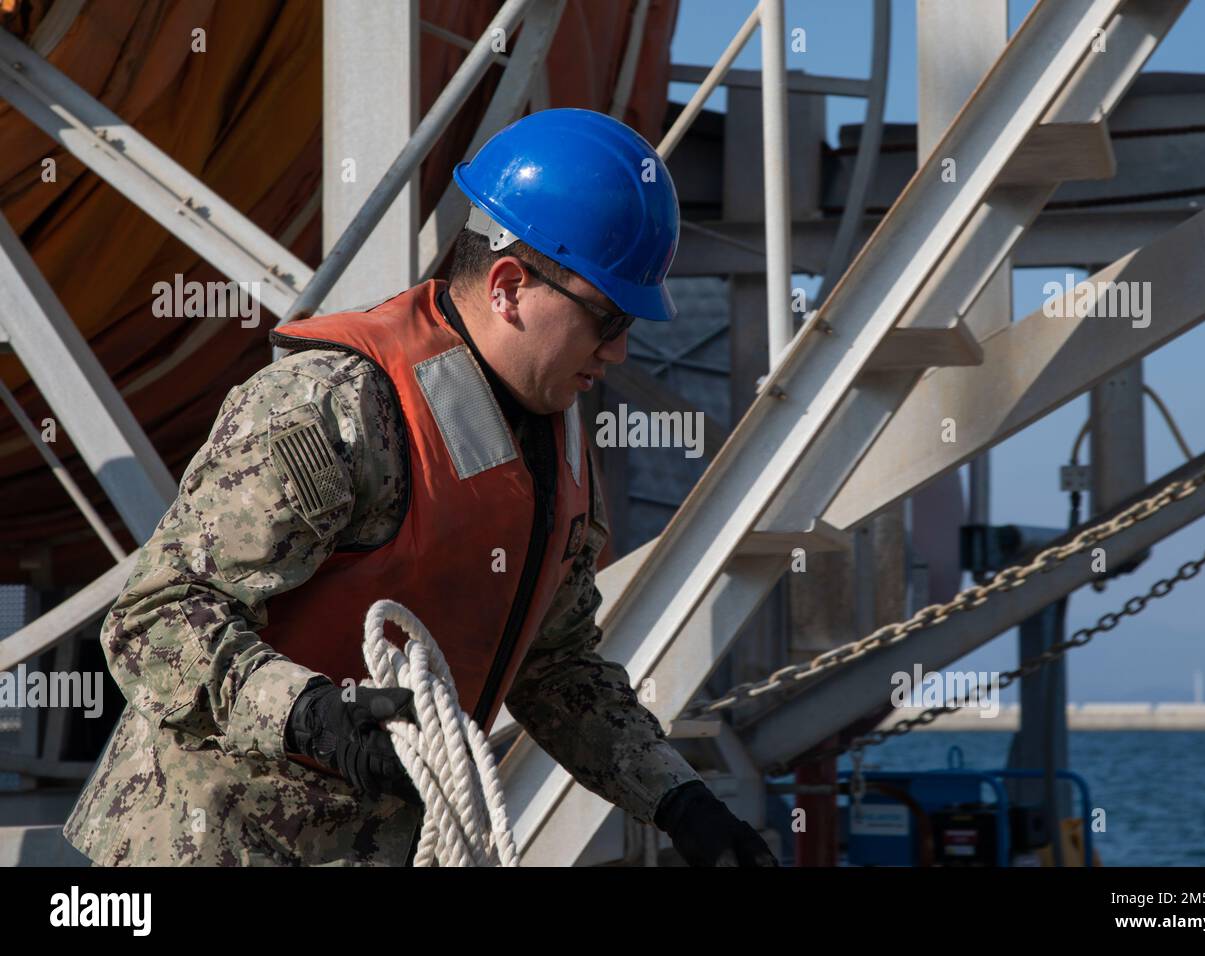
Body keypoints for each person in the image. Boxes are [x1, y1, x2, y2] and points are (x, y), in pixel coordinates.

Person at [63, 108, 778, 867]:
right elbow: (156, 620)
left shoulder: (555, 437)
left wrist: (679, 802)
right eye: (605, 317)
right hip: (211, 847)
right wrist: (312, 716)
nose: (621, 349)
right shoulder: (332, 405)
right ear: (509, 286)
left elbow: (556, 667)